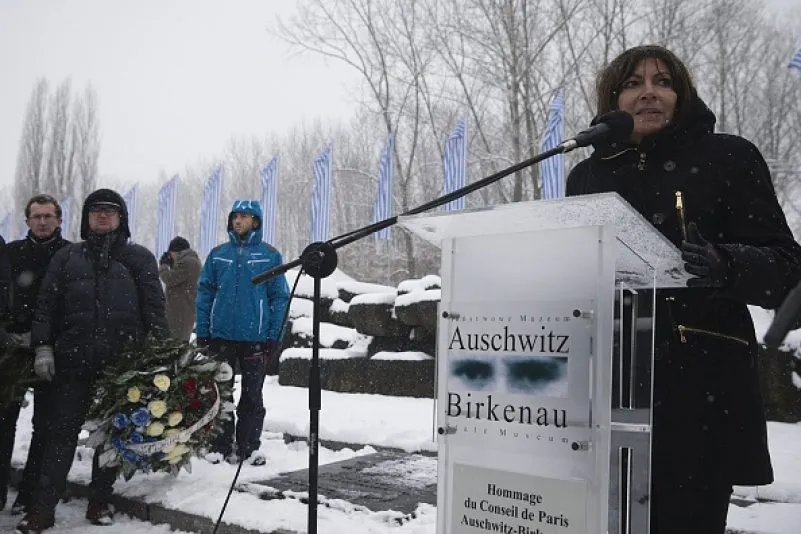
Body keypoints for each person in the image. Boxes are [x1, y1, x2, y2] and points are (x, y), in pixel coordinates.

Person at [565, 45, 801, 534]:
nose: (649, 92)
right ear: (613, 100)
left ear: (682, 95)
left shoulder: (728, 158)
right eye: (633, 83)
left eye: (663, 81)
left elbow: (787, 266)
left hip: (700, 393)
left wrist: (728, 263)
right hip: (606, 391)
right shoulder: (586, 176)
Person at [16, 189, 168, 533]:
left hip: (120, 368)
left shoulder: (139, 259)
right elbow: (45, 308)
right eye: (96, 210)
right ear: (86, 218)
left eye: (110, 211)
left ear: (121, 218)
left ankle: (100, 500)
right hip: (72, 363)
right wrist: (43, 348)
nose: (102, 215)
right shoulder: (67, 258)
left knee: (111, 436)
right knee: (60, 435)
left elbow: (155, 313)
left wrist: (161, 357)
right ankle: (43, 508)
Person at [195, 200, 289, 466]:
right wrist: (203, 331)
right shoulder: (218, 254)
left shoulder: (269, 255)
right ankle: (219, 446)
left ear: (255, 221)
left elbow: (279, 297)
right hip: (221, 337)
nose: (238, 221)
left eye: (244, 216)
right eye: (235, 216)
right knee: (220, 393)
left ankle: (249, 446)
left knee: (253, 394)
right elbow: (204, 293)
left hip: (255, 339)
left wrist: (274, 335)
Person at [0, 195, 70, 516]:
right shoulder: (10, 253)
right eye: (36, 216)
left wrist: (48, 338)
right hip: (12, 348)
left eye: (48, 216)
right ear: (27, 220)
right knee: (4, 421)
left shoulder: (71, 254)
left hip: (53, 350)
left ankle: (30, 494)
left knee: (46, 425)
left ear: (59, 220)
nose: (42, 222)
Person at [159, 236, 201, 341]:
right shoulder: (192, 260)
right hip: (183, 310)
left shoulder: (187, 262)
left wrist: (163, 266)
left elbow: (169, 278)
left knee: (176, 344)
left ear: (176, 252)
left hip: (180, 312)